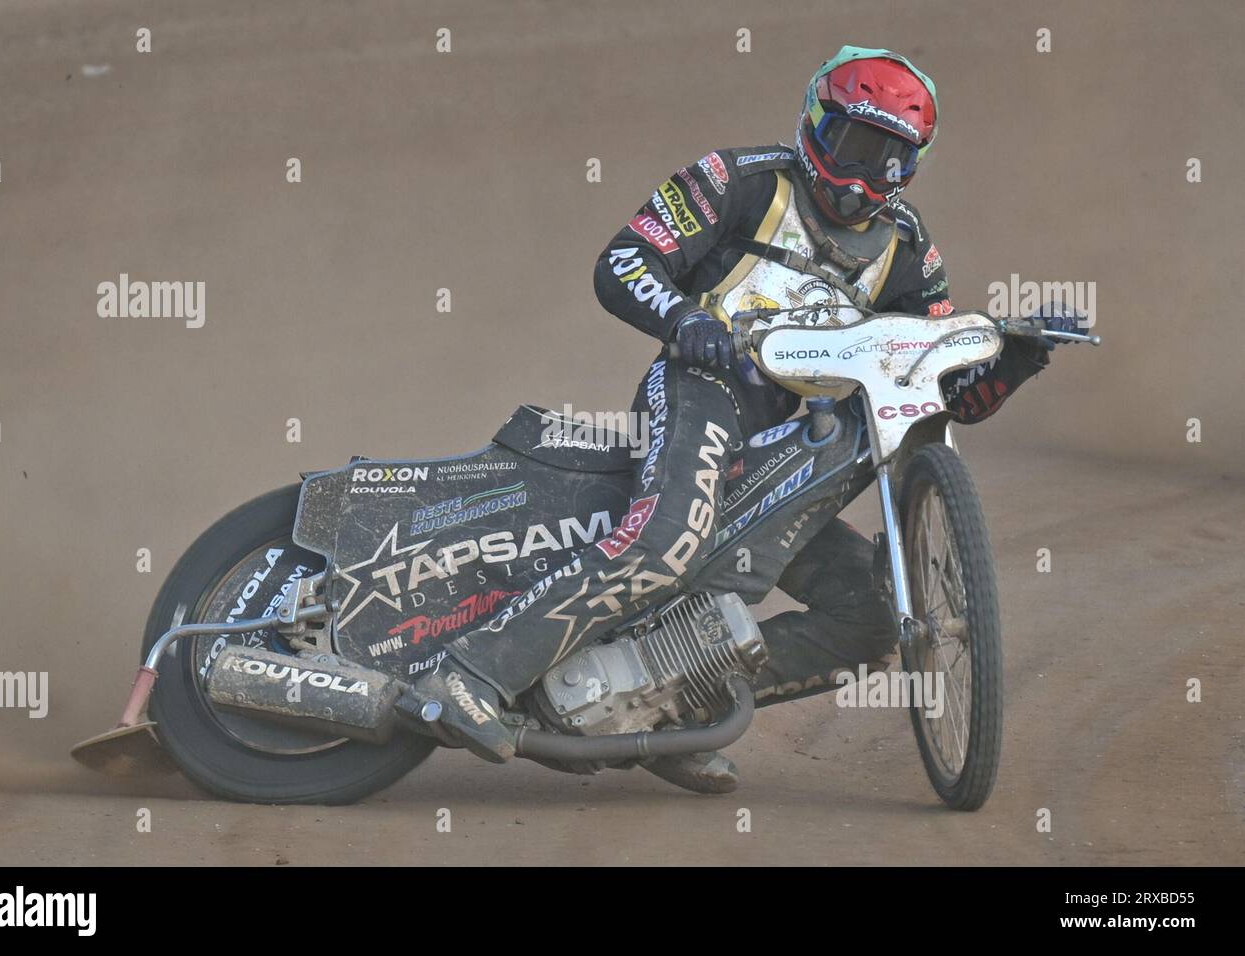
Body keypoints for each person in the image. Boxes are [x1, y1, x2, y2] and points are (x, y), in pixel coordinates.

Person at [398, 45, 1080, 792]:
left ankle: (672, 712)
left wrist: (1016, 360)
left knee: (871, 621)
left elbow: (938, 391)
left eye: (890, 159)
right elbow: (623, 261)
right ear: (816, 127)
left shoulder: (910, 249)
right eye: (855, 145)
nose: (865, 176)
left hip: (796, 444)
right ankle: (469, 673)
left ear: (912, 166)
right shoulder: (740, 181)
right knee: (669, 540)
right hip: (702, 388)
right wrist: (686, 318)